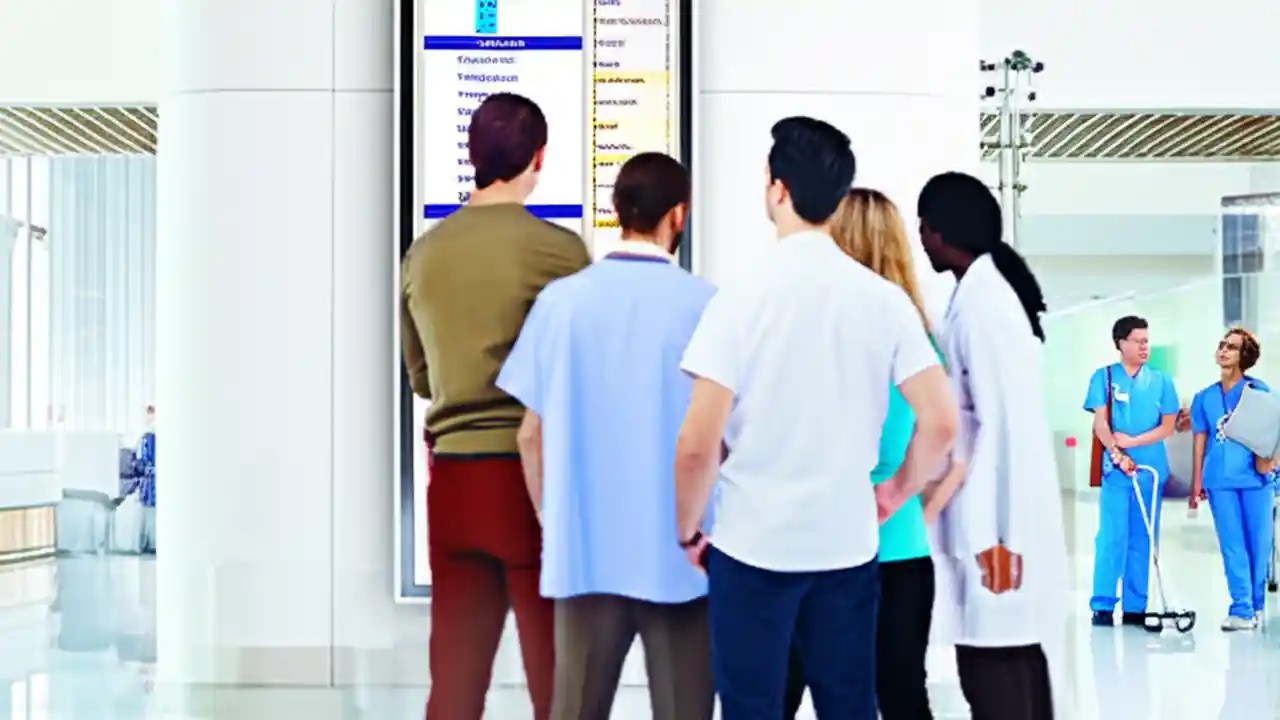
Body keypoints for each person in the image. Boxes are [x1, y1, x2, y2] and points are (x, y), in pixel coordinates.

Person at [673, 117, 958, 720]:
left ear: (776, 190)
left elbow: (698, 445)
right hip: (846, 548)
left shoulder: (739, 299)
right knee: (849, 705)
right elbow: (940, 421)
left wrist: (689, 529)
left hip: (751, 548)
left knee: (752, 708)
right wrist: (896, 492)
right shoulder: (884, 302)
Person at [496, 152, 716, 720]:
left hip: (585, 554)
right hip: (683, 558)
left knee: (575, 709)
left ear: (616, 210)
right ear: (679, 215)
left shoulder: (560, 304)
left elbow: (530, 436)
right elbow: (726, 439)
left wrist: (556, 516)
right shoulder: (710, 307)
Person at [400, 92, 590, 720]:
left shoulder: (422, 257)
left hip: (452, 484)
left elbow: (421, 377)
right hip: (532, 483)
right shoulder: (562, 253)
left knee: (454, 683)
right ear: (538, 158)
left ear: (473, 157)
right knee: (556, 682)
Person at [783, 188, 963, 720]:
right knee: (902, 693)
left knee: (786, 692)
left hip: (815, 549)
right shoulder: (920, 341)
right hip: (900, 552)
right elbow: (944, 443)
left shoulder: (812, 336)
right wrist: (908, 502)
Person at [917, 171, 1069, 720]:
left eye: (925, 228)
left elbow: (1002, 428)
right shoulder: (979, 294)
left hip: (997, 527)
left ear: (942, 230)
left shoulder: (985, 306)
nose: (922, 239)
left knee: (994, 665)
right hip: (990, 517)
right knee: (1003, 657)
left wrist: (997, 537)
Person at [1083, 315, 1180, 627]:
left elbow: (1168, 426)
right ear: (1120, 343)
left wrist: (1135, 442)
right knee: (1112, 536)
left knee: (1144, 538)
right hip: (1116, 471)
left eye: (1146, 341)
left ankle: (1136, 607)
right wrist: (1117, 453)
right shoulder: (1104, 378)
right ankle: (1103, 605)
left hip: (1150, 470)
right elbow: (1101, 423)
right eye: (1138, 341)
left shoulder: (1161, 381)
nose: (1144, 346)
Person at [1189, 327, 1279, 631]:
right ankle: (1240, 607)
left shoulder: (1259, 392)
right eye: (1222, 345)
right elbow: (1200, 443)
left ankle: (1255, 604)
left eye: (1232, 347)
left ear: (1244, 356)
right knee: (1232, 544)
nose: (1224, 350)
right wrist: (1196, 483)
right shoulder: (1204, 398)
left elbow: (1275, 435)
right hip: (1219, 480)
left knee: (1260, 544)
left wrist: (1272, 465)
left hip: (1257, 479)